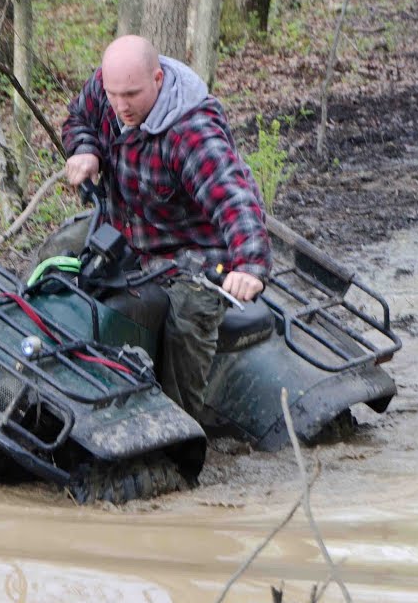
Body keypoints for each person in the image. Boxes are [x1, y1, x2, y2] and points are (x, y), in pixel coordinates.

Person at [57, 34, 271, 420]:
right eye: (113, 94)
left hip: (192, 257)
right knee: (55, 256)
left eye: (132, 95)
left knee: (185, 326)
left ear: (157, 79)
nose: (121, 106)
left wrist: (249, 265)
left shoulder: (192, 132)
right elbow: (77, 118)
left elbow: (234, 199)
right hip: (122, 231)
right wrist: (84, 148)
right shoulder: (106, 89)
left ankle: (180, 431)